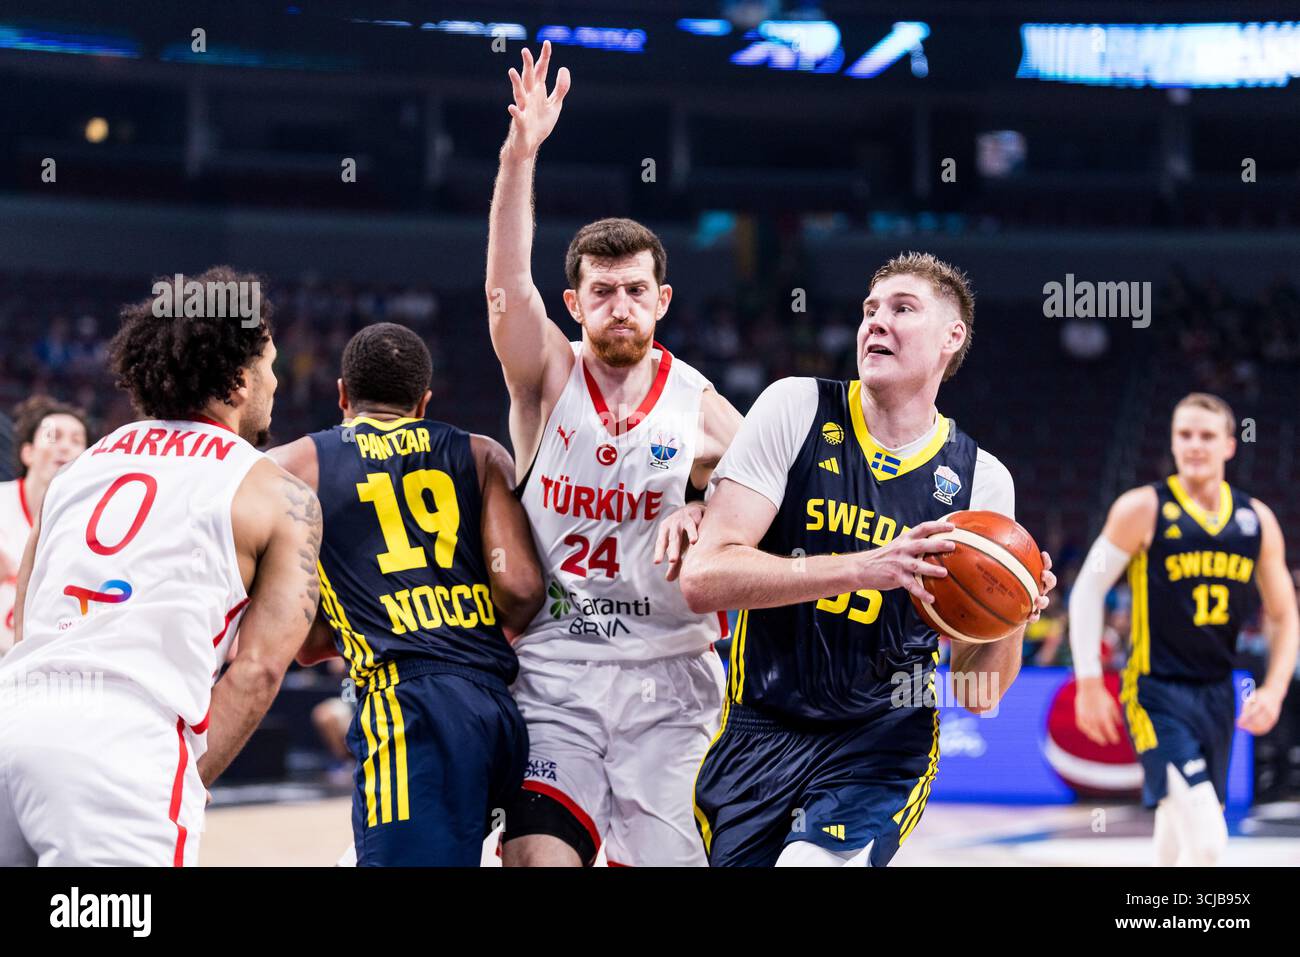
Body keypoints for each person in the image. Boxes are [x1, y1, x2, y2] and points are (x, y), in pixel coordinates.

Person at [681, 252, 1055, 866]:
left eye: (902, 309)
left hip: (881, 737)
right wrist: (866, 566)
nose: (876, 322)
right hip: (759, 729)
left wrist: (1015, 612)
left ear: (950, 338)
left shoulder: (980, 481)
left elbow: (978, 690)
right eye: (869, 310)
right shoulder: (795, 409)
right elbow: (704, 578)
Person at [486, 41, 743, 866]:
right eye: (603, 291)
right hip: (558, 673)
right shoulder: (546, 376)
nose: (621, 306)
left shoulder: (700, 405)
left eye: (636, 290)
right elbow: (503, 289)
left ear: (662, 299)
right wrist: (519, 155)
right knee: (537, 859)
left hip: (674, 680)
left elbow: (764, 512)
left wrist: (706, 507)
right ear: (576, 302)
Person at [0, 266, 322, 866]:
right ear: (237, 381)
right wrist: (177, 781)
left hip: (13, 711)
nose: (276, 383)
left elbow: (25, 618)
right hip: (122, 741)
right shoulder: (278, 493)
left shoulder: (78, 470)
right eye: (270, 366)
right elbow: (255, 672)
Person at [269, 322, 544, 865]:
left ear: (343, 394)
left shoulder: (293, 466)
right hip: (495, 707)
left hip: (408, 707)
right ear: (423, 402)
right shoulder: (481, 453)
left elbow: (300, 638)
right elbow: (522, 589)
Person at [1069, 392, 1298, 866]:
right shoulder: (1144, 508)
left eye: (1207, 436)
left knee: (1177, 832)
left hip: (1216, 694)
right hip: (1155, 692)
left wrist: (1274, 691)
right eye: (1184, 435)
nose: (1195, 445)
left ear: (1230, 446)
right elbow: (1088, 589)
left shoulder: (1256, 521)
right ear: (1172, 442)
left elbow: (1282, 613)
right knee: (1209, 841)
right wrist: (1089, 679)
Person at [0, 396, 89, 655]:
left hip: (42, 671)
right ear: (27, 452)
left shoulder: (92, 526)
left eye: (76, 441)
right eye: (54, 437)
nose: (65, 447)